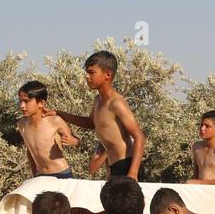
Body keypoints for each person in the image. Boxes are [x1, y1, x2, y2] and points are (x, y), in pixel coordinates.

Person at [47, 51, 146, 179]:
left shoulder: (116, 103)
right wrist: (59, 113)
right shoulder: (98, 100)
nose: (87, 77)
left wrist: (133, 173)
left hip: (127, 166)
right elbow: (89, 123)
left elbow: (140, 137)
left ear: (108, 75)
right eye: (87, 73)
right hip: (114, 167)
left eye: (91, 72)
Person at [17, 80, 78, 179]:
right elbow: (30, 151)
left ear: (41, 103)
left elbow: (77, 142)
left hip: (61, 174)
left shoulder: (55, 121)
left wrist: (74, 141)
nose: (22, 106)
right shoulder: (21, 125)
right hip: (40, 176)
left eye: (27, 101)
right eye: (20, 101)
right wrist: (34, 176)